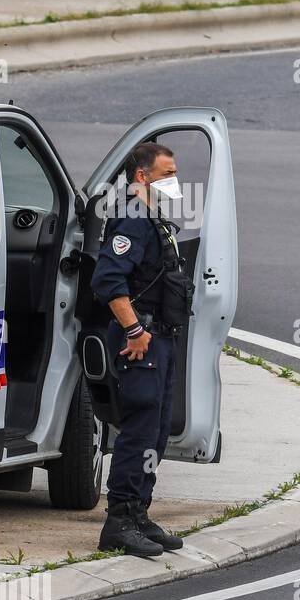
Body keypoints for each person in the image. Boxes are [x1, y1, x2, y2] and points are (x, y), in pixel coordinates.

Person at [90, 142, 193, 558]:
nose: (174, 181)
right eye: (167, 173)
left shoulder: (152, 218)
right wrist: (134, 330)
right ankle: (117, 523)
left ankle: (138, 514)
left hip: (160, 340)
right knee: (138, 432)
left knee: (158, 431)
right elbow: (108, 281)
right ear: (141, 177)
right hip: (141, 344)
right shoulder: (132, 219)